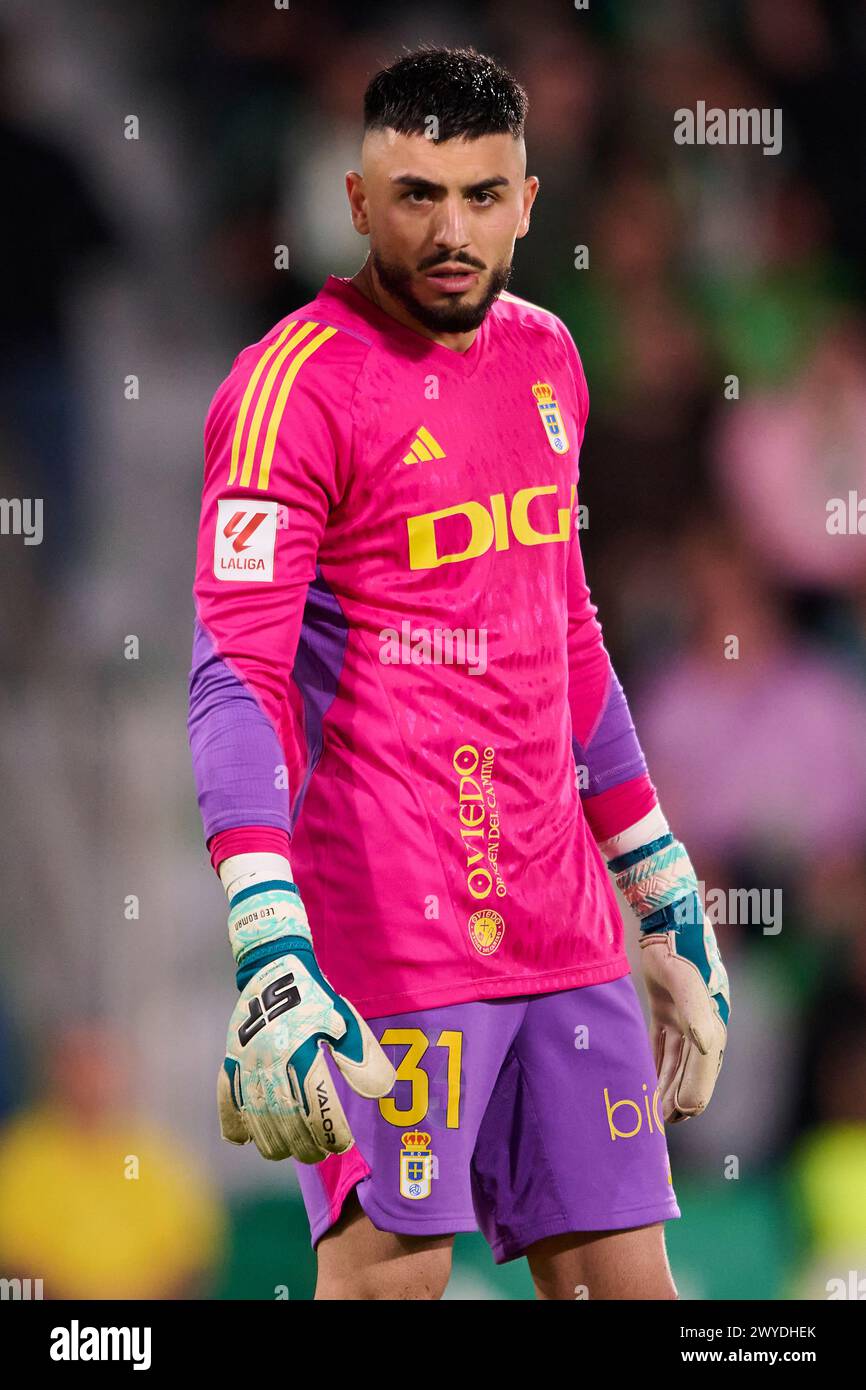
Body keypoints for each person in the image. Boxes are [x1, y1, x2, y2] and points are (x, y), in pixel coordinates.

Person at [188, 45, 729, 1301]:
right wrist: (269, 940)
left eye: (482, 195)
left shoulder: (548, 361)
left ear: (528, 203)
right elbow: (236, 676)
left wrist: (661, 890)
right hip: (388, 935)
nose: (450, 229)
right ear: (357, 199)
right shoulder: (285, 392)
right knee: (393, 1289)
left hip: (563, 922)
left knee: (627, 1294)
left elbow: (565, 630)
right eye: (417, 193)